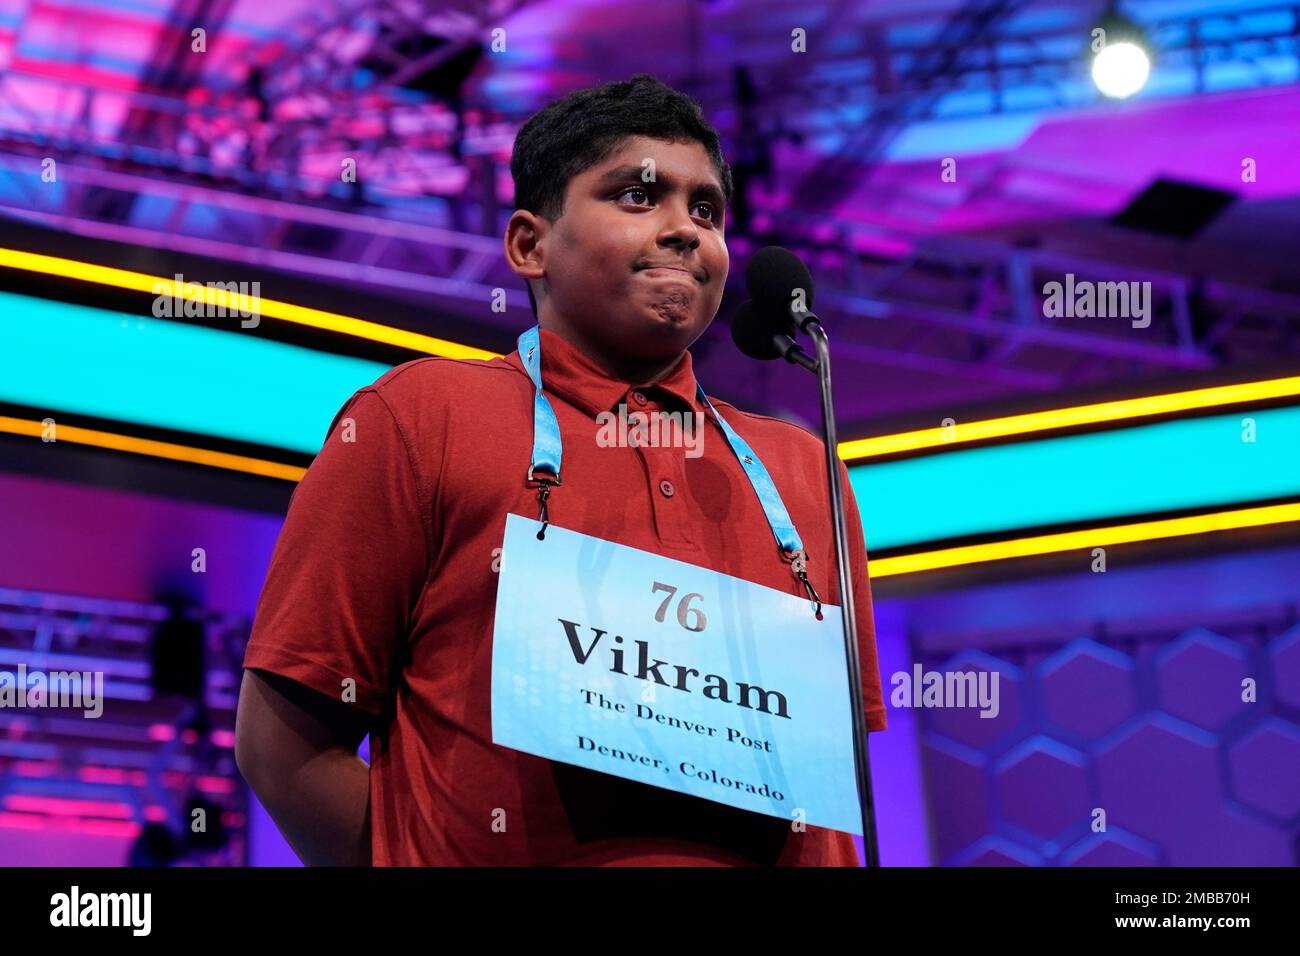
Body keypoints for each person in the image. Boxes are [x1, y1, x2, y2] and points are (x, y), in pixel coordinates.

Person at [235, 73, 887, 867]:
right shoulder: (420, 418)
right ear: (529, 244)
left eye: (706, 209)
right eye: (638, 196)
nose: (684, 228)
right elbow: (284, 745)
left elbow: (829, 800)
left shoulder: (802, 467)